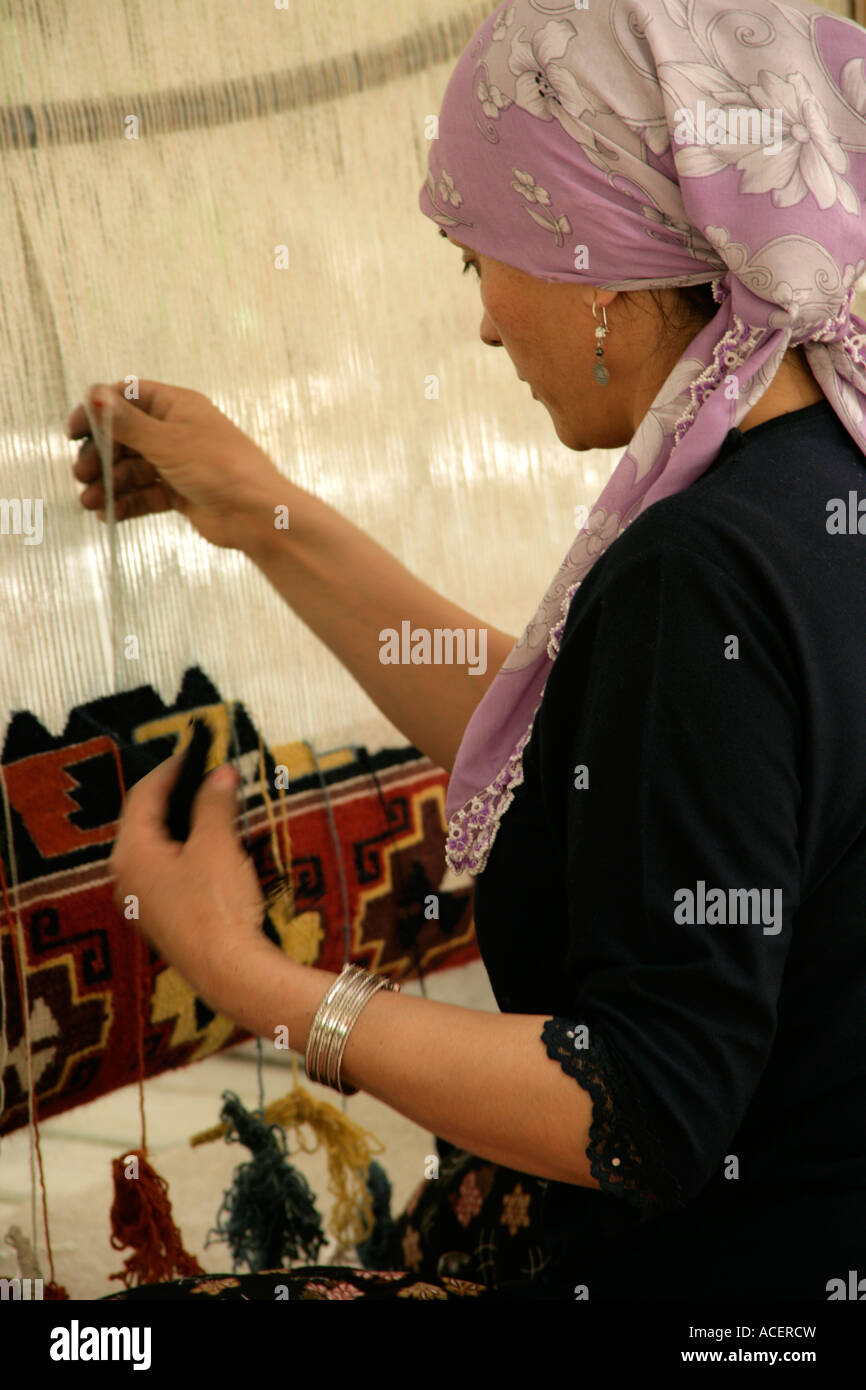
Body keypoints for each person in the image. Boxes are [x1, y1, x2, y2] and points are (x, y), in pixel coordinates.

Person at [68, 0, 866, 1301]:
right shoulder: (818, 476)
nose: (487, 326)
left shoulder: (694, 565)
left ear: (601, 257)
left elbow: (643, 1105)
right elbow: (607, 753)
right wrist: (268, 515)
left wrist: (247, 974)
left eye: (475, 258)